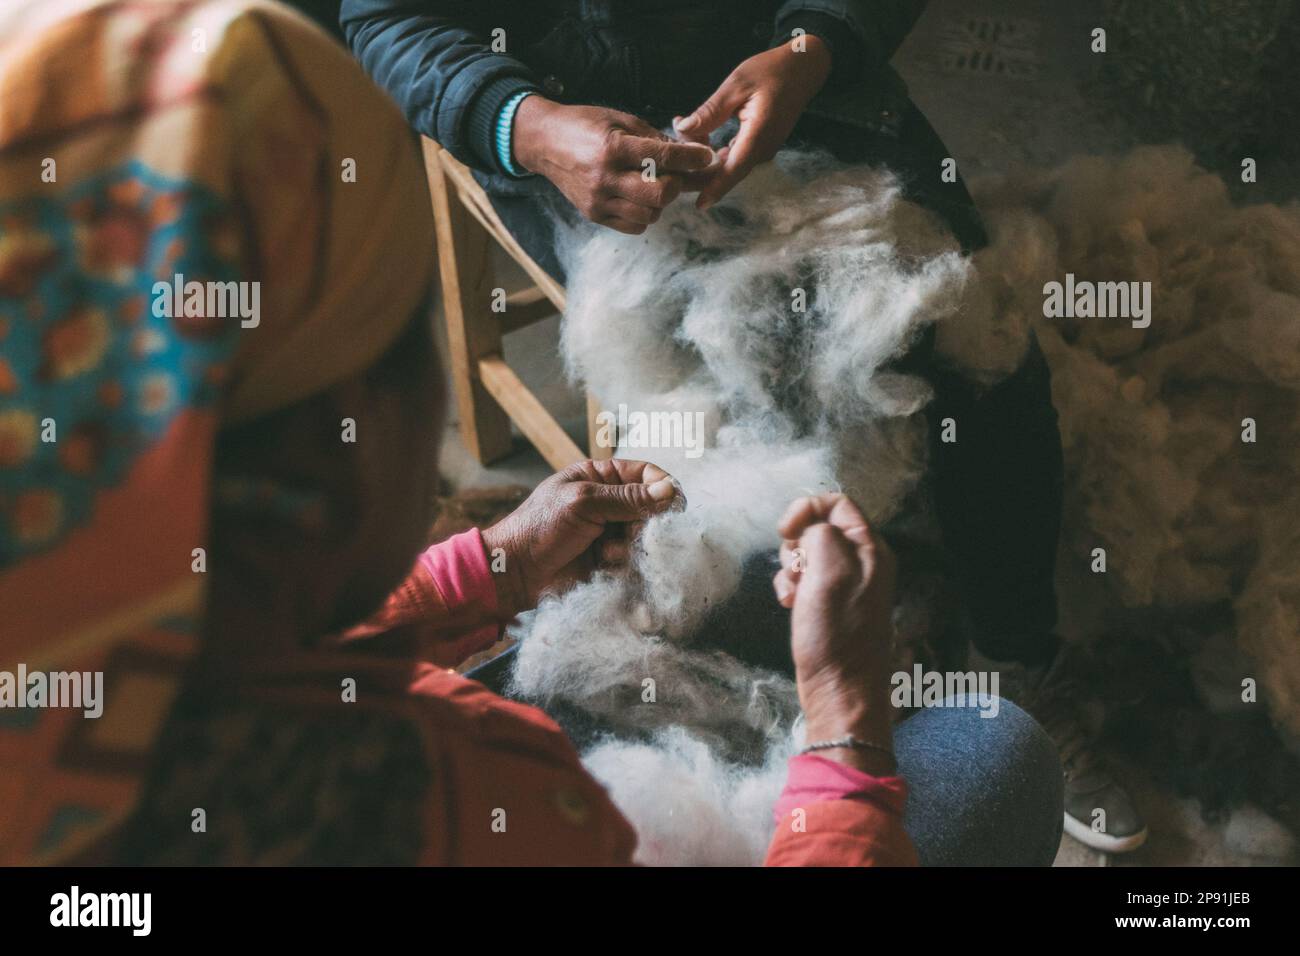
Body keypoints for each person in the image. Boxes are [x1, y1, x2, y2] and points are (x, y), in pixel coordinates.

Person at [0, 0, 1061, 866]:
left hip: (797, 104)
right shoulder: (467, 796)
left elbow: (277, 653)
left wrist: (488, 565)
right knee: (994, 752)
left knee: (936, 381)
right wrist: (840, 721)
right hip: (578, 125)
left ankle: (1011, 639)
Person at [339, 0, 1146, 853]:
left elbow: (324, 650)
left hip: (813, 88)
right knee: (730, 446)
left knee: (989, 366)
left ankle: (1015, 653)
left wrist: (816, 44)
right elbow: (385, 15)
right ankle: (826, 702)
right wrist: (526, 126)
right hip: (570, 128)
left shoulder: (266, 681)